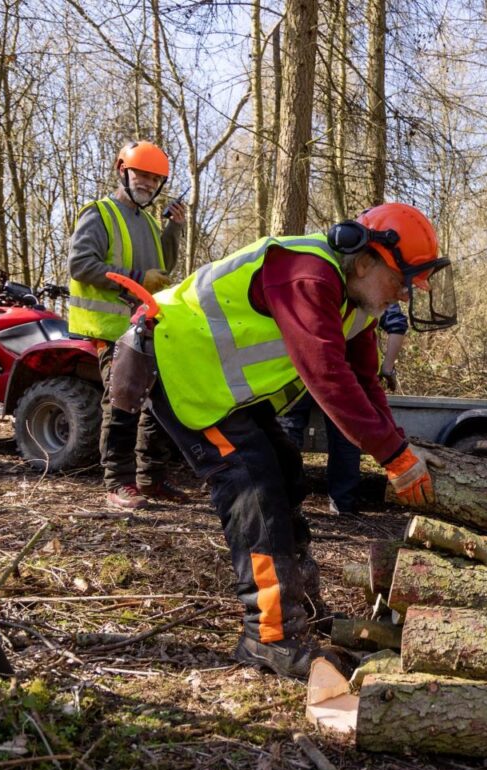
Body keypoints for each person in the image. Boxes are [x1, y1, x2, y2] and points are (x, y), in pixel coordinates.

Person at [143, 202, 455, 678]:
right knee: (254, 490)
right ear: (365, 261)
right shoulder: (307, 275)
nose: (405, 294)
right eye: (401, 281)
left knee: (288, 475)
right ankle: (269, 634)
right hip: (182, 371)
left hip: (226, 392)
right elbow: (327, 376)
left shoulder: (358, 303)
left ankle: (301, 609)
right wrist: (391, 456)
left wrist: (399, 448)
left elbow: (364, 379)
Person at [68, 141, 190, 509]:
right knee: (122, 403)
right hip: (111, 328)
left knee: (157, 404)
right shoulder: (99, 214)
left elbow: (161, 270)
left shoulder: (149, 223)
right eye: (142, 175)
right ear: (122, 170)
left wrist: (174, 229)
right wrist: (137, 277)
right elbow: (81, 265)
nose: (148, 183)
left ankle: (151, 478)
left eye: (155, 179)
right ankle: (118, 482)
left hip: (148, 327)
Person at [278, 303, 409, 515]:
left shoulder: (315, 290)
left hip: (300, 365)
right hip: (340, 370)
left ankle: (282, 500)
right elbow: (396, 325)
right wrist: (386, 368)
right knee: (345, 432)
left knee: (289, 428)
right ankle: (342, 503)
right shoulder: (372, 294)